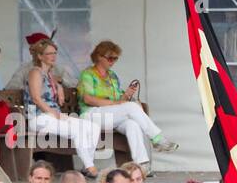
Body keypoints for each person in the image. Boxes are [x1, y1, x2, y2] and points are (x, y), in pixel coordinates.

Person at [76, 41, 177, 171]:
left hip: (110, 115)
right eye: (110, 58)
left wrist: (127, 95)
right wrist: (118, 103)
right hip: (91, 114)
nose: (113, 61)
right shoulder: (88, 74)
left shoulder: (112, 76)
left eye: (115, 58)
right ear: (99, 56)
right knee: (131, 107)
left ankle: (142, 165)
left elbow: (119, 101)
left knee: (132, 124)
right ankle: (157, 138)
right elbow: (88, 99)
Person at [24, 37, 103, 178]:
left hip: (52, 116)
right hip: (39, 117)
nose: (53, 56)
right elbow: (36, 98)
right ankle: (91, 167)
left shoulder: (48, 74)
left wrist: (59, 87)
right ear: (40, 56)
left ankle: (86, 166)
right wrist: (54, 114)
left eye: (55, 53)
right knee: (78, 130)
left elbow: (54, 83)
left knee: (93, 127)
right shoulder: (35, 72)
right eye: (49, 53)